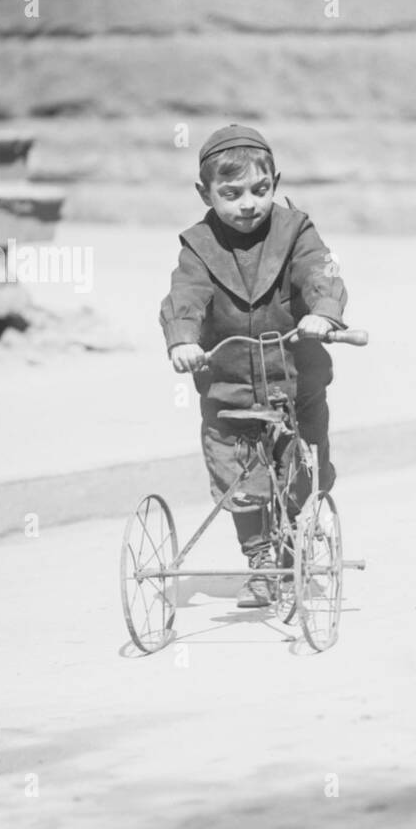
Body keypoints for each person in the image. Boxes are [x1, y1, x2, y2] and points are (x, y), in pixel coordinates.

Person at [160, 124, 346, 607]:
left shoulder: (294, 229)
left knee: (301, 466)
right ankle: (261, 559)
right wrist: (183, 340)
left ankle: (291, 540)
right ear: (205, 193)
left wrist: (322, 313)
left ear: (276, 183)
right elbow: (185, 296)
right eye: (231, 193)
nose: (248, 204)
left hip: (295, 373)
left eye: (260, 190)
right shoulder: (199, 246)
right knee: (238, 475)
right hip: (231, 383)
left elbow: (320, 269)